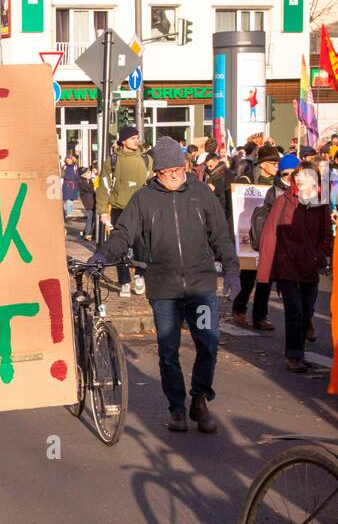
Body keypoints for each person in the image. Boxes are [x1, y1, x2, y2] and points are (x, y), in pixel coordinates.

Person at [87, 136, 240, 434]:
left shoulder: (201, 194)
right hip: (164, 290)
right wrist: (104, 253)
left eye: (178, 171)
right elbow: (123, 233)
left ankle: (199, 399)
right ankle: (177, 408)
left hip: (200, 287)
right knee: (168, 350)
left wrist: (232, 271)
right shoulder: (143, 199)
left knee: (207, 342)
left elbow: (220, 236)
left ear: (184, 167)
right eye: (166, 172)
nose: (173, 177)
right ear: (156, 172)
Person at [255, 163, 332, 373]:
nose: (299, 180)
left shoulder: (321, 203)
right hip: (286, 265)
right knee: (294, 312)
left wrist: (320, 255)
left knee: (307, 312)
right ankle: (294, 355)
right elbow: (270, 234)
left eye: (304, 176)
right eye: (297, 176)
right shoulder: (283, 201)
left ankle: (300, 352)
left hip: (310, 266)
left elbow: (327, 234)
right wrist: (266, 269)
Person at [229, 143, 281, 331]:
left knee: (266, 277)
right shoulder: (246, 179)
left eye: (277, 163)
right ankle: (239, 308)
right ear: (263, 164)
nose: (276, 166)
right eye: (273, 163)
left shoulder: (278, 183)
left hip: (269, 235)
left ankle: (261, 316)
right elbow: (235, 207)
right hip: (248, 234)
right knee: (248, 276)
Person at [95, 124, 151, 297]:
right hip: (119, 209)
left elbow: (153, 185)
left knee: (142, 246)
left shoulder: (146, 160)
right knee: (119, 247)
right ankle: (124, 281)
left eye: (137, 138)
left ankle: (140, 275)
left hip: (141, 211)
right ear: (124, 141)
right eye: (133, 138)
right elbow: (104, 187)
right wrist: (103, 211)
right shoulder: (112, 161)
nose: (137, 141)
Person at [79, 162, 97, 239]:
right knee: (90, 218)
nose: (90, 174)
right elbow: (90, 189)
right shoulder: (82, 182)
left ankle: (86, 232)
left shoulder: (88, 181)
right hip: (88, 204)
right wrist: (94, 188)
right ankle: (87, 233)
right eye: (88, 173)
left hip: (91, 203)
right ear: (83, 175)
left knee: (92, 218)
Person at [62, 150, 80, 220]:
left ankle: (69, 212)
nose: (68, 161)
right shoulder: (64, 167)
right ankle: (68, 214)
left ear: (72, 160)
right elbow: (61, 175)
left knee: (71, 201)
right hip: (66, 185)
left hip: (73, 185)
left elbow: (77, 176)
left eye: (69, 160)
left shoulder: (75, 167)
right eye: (67, 160)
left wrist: (79, 184)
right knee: (68, 200)